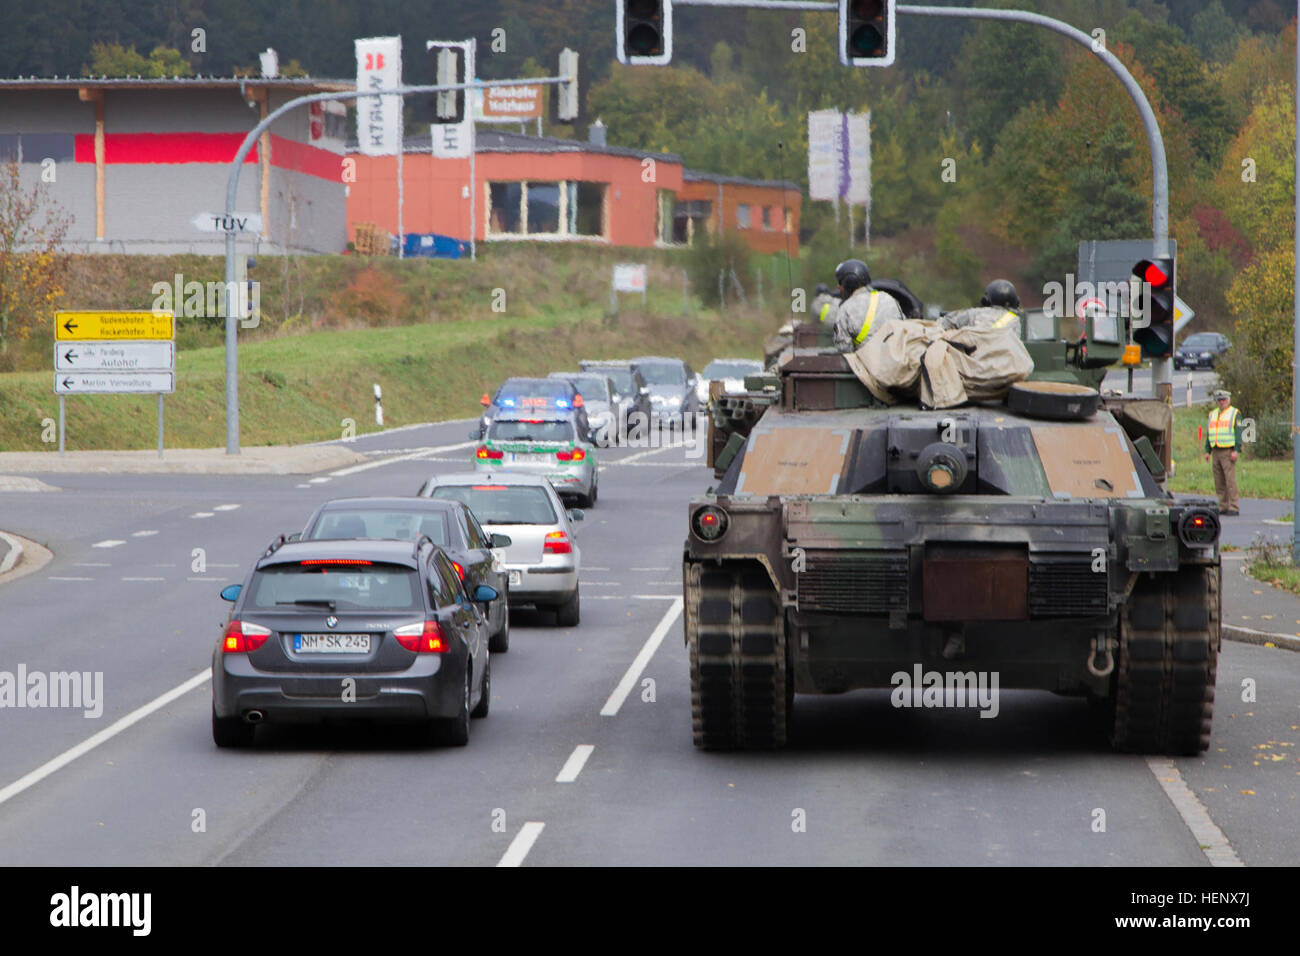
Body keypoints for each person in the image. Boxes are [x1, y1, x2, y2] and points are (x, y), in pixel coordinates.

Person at [832, 259, 904, 352]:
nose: (838, 287)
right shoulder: (888, 298)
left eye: (840, 283)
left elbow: (843, 349)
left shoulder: (845, 309)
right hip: (895, 359)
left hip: (866, 364)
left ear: (848, 283)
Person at [1204, 388, 1243, 515]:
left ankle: (1233, 505)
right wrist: (1207, 451)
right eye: (1219, 400)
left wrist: (1236, 450)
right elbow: (1209, 433)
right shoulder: (1212, 414)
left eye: (1224, 400)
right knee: (1218, 480)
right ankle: (1223, 505)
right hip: (1215, 450)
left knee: (1230, 480)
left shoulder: (1235, 413)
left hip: (1228, 451)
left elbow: (1238, 433)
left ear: (1229, 400)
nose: (1221, 402)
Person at [938, 279, 1022, 332]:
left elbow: (944, 324)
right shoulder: (1017, 320)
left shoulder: (974, 314)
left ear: (986, 300)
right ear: (1016, 302)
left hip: (977, 357)